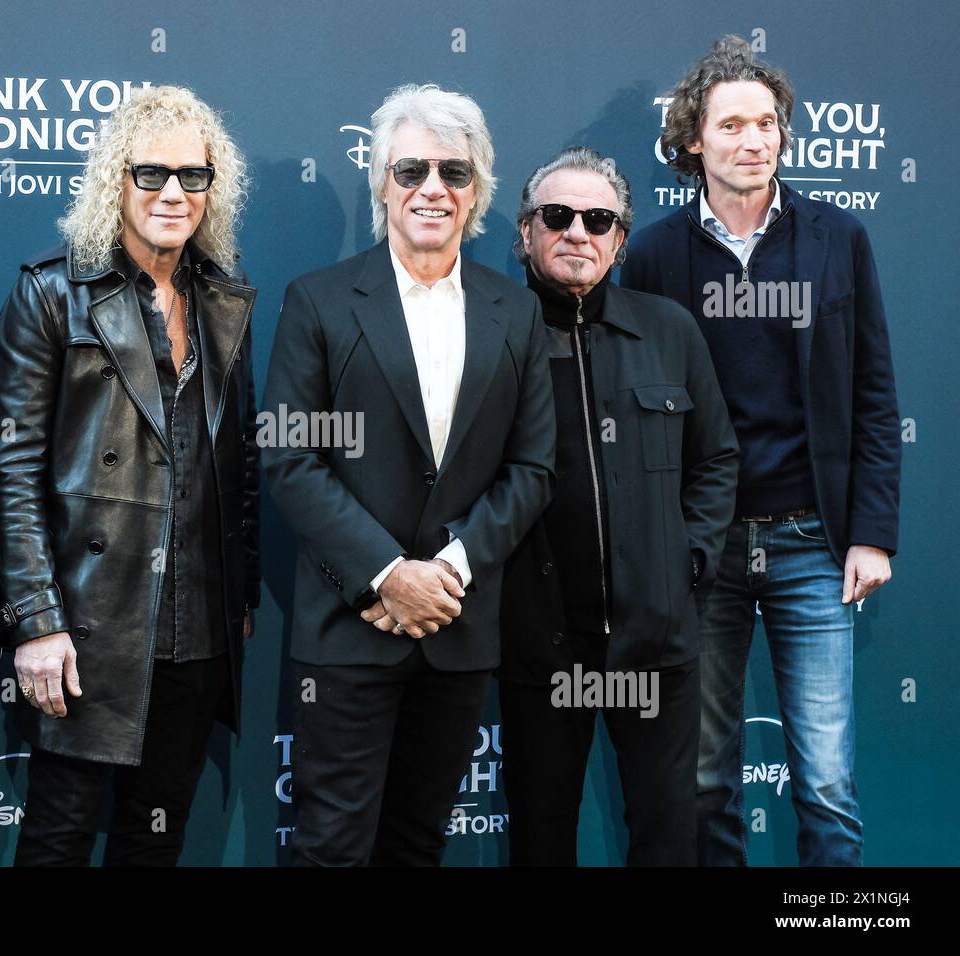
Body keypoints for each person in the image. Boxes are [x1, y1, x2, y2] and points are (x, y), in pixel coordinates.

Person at [621, 36, 901, 866]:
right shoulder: (656, 254)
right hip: (700, 546)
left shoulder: (835, 238)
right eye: (733, 124)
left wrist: (872, 532)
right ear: (694, 140)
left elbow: (874, 393)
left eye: (768, 123)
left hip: (812, 541)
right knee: (705, 777)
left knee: (826, 782)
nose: (754, 139)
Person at [263, 83, 555, 866]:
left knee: (417, 844)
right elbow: (289, 457)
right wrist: (388, 574)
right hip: (351, 628)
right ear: (382, 183)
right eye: (411, 170)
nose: (432, 188)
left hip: (457, 630)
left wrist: (445, 574)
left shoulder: (515, 312)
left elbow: (532, 468)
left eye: (454, 173)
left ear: (477, 192)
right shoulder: (318, 302)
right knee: (331, 847)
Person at [0, 85, 260, 866]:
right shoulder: (50, 292)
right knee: (59, 840)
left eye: (193, 177)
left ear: (213, 189)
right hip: (88, 623)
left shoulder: (224, 301)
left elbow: (237, 466)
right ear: (117, 180)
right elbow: (9, 470)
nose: (173, 193)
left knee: (155, 841)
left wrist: (239, 597)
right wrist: (37, 620)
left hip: (198, 629)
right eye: (152, 174)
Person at [498, 147, 738, 865]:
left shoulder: (669, 330)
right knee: (541, 838)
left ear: (620, 240)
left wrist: (687, 562)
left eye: (597, 219)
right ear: (525, 232)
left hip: (654, 643)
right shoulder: (492, 331)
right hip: (540, 645)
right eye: (558, 216)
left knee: (667, 839)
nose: (578, 232)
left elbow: (716, 458)